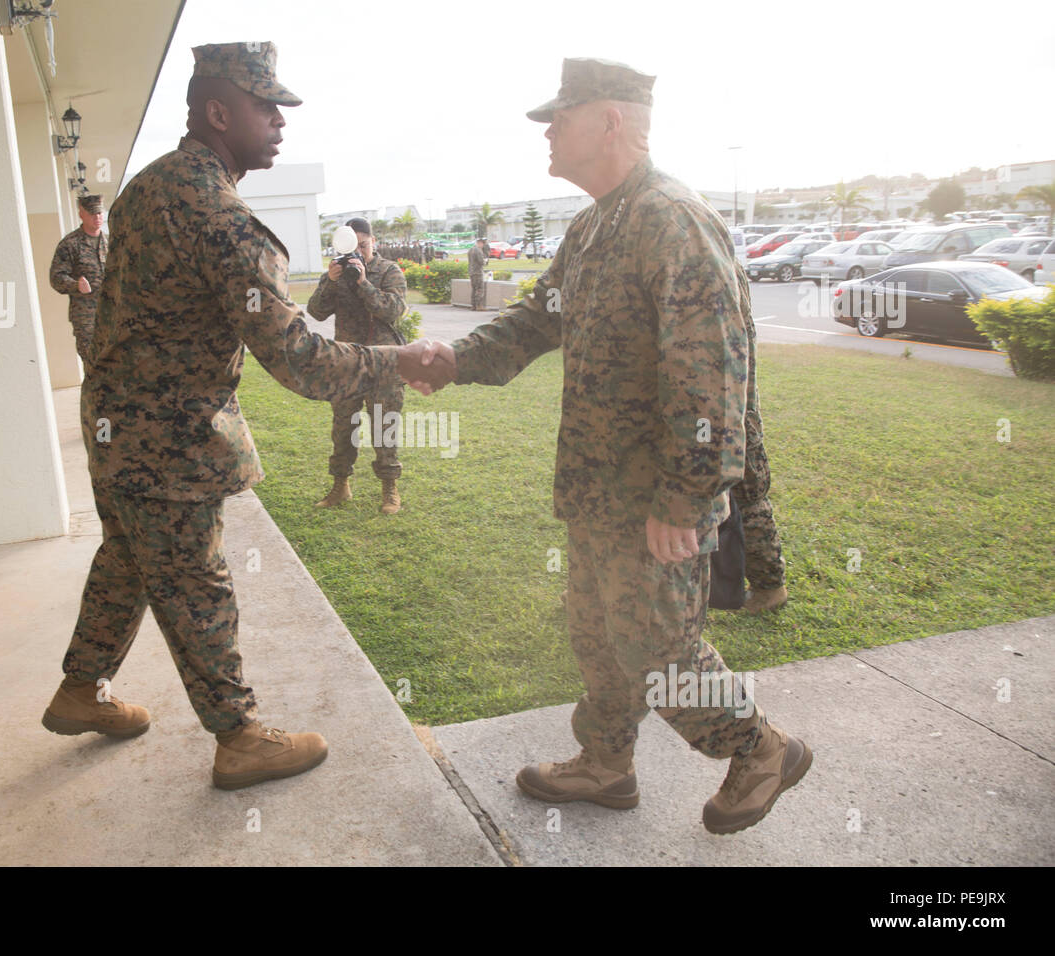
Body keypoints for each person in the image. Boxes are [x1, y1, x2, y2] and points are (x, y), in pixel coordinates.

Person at [403, 58, 811, 834]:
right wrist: (455, 360)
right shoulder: (595, 227)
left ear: (609, 122)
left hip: (653, 499)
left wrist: (686, 497)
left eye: (560, 117)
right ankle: (605, 763)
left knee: (659, 647)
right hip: (597, 491)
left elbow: (711, 374)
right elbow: (537, 319)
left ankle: (760, 749)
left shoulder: (672, 219)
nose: (548, 133)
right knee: (597, 633)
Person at [41, 42, 432, 790]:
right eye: (265, 106)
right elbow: (300, 362)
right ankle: (240, 737)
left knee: (127, 561)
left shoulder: (148, 188)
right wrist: (399, 360)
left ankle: (78, 692)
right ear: (219, 112)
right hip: (170, 438)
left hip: (114, 424)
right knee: (196, 582)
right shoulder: (222, 218)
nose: (281, 122)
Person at [307, 218, 409, 514]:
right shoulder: (337, 273)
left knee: (384, 425)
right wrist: (330, 281)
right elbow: (316, 311)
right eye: (354, 247)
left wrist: (363, 283)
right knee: (343, 427)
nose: (359, 252)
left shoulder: (388, 270)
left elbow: (393, 310)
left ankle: (389, 489)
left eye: (363, 246)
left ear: (372, 242)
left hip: (384, 363)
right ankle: (341, 486)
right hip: (346, 362)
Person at [731, 263, 788, 614]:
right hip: (720, 406)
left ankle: (769, 587)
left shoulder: (716, 262)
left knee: (747, 495)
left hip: (734, 411)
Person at [48, 193, 107, 370]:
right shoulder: (70, 244)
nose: (97, 218)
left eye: (99, 213)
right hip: (86, 317)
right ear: (81, 214)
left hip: (112, 314)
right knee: (93, 365)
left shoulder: (111, 242)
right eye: (92, 214)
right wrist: (75, 286)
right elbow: (56, 277)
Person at [468, 237, 489, 310]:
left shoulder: (471, 249)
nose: (483, 246)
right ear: (480, 243)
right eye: (483, 244)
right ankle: (479, 306)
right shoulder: (478, 250)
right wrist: (485, 261)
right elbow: (481, 262)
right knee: (480, 289)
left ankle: (473, 306)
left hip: (471, 271)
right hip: (477, 272)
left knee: (473, 289)